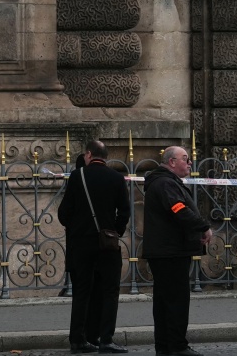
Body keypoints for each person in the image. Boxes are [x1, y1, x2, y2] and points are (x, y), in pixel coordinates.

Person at [59, 138, 132, 354]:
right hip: (107, 244)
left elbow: (64, 213)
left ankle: (78, 339)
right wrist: (114, 231)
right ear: (105, 157)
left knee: (82, 292)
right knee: (109, 291)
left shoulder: (77, 176)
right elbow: (125, 212)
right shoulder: (116, 178)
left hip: (81, 244)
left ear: (89, 155)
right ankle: (105, 338)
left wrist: (77, 228)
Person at [142, 145, 214, 356]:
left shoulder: (167, 182)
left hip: (168, 250)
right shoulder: (165, 183)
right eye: (185, 158)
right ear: (172, 162)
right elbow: (178, 209)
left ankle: (165, 347)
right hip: (170, 252)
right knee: (175, 301)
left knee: (165, 301)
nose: (190, 162)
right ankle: (177, 346)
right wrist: (202, 226)